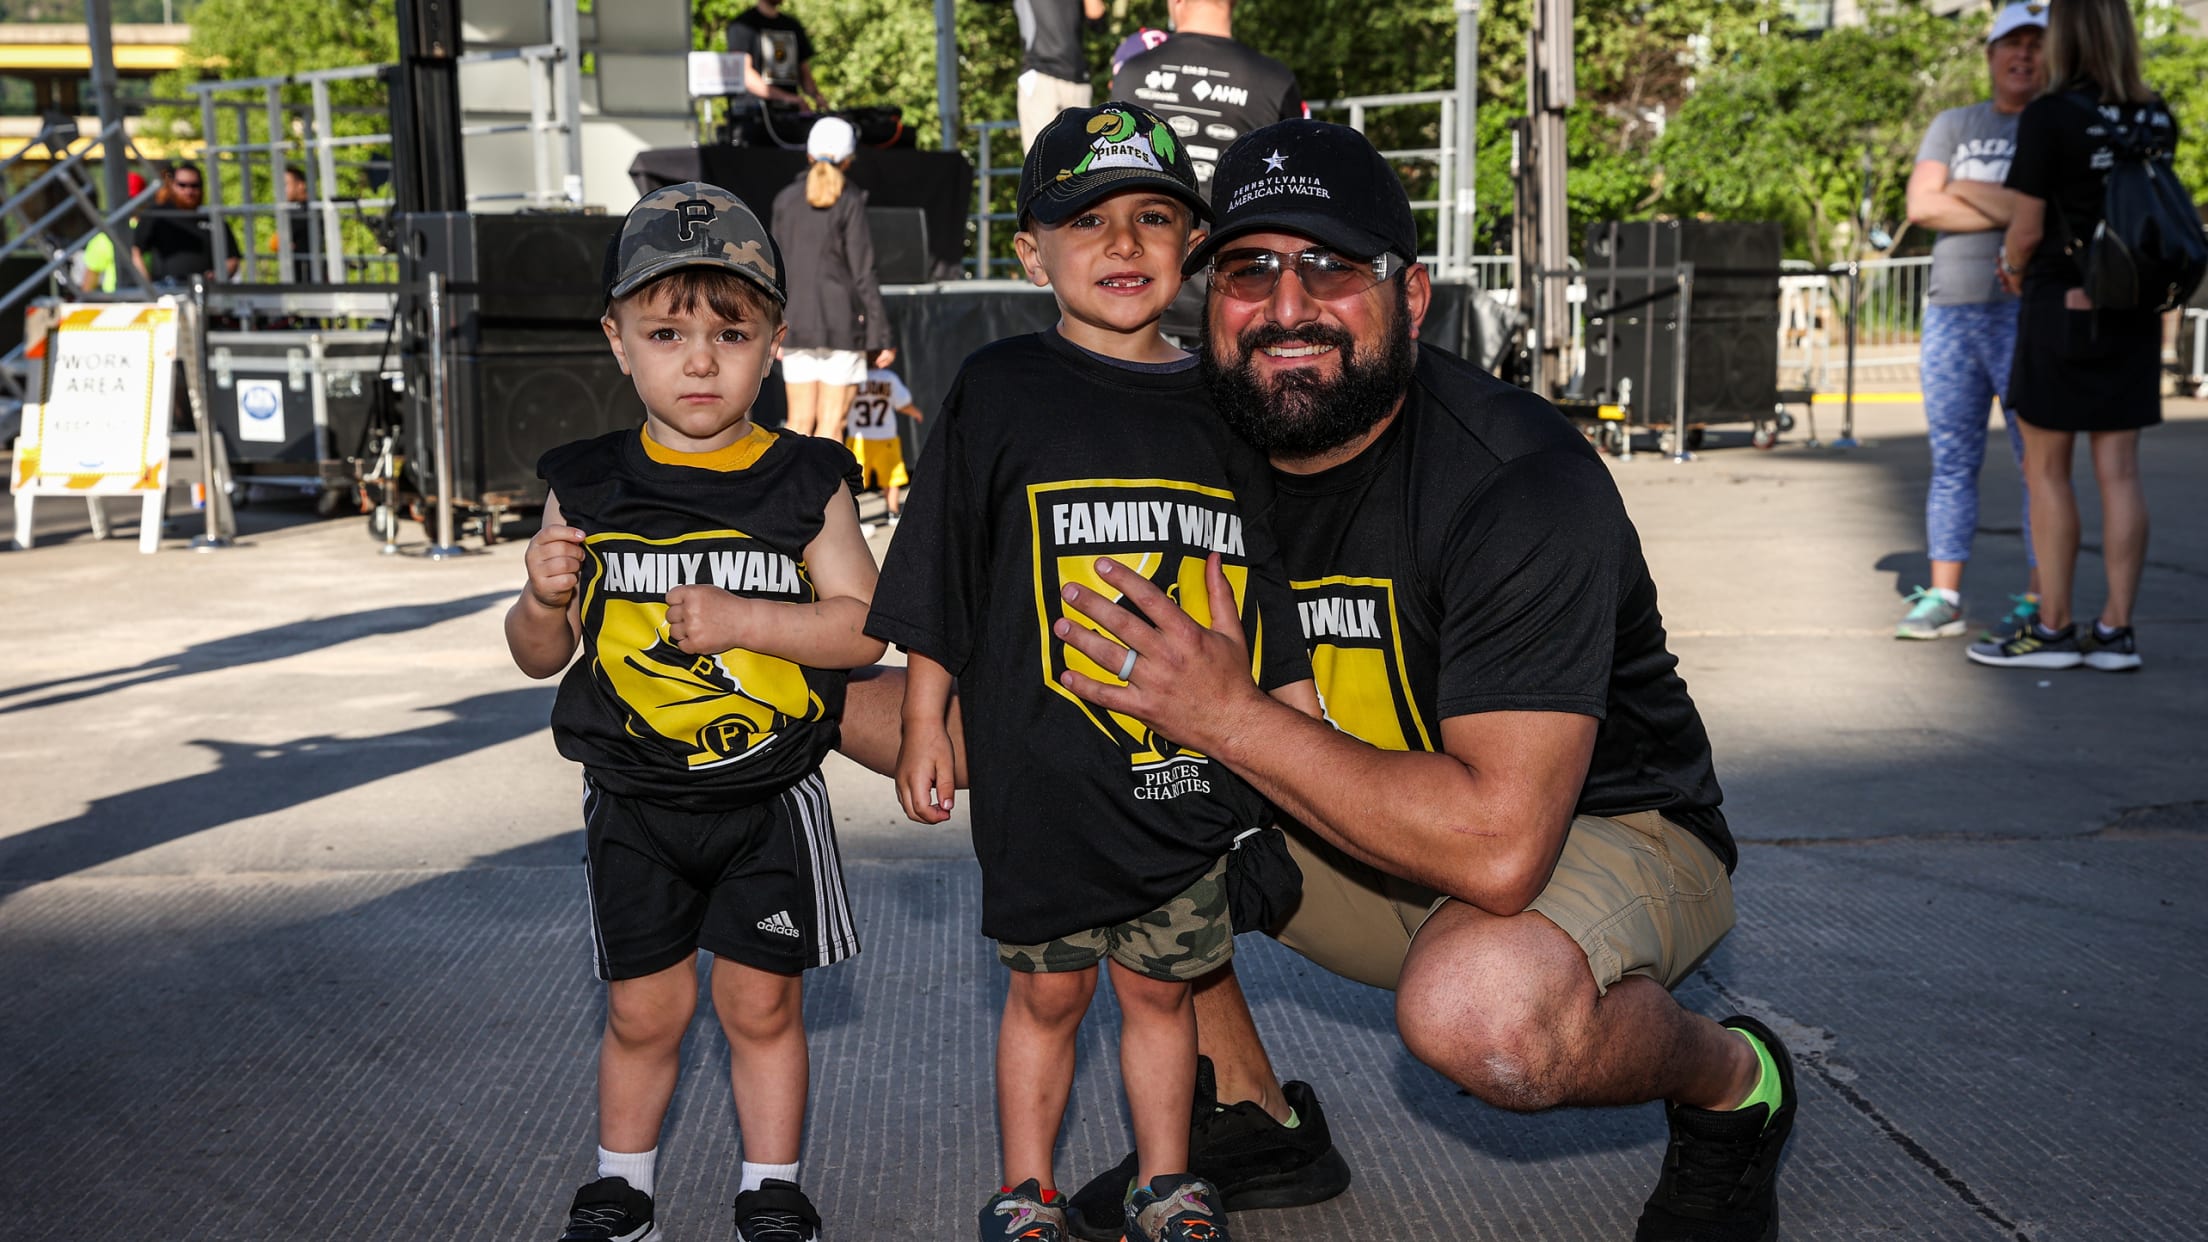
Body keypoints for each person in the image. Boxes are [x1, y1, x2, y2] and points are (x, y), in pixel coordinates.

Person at [840, 120, 1797, 1242]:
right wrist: (770, 677)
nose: (1288, 308)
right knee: (1112, 815)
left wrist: (1227, 713)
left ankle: (1734, 1083)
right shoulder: (1197, 444)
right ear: (1211, 292)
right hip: (1329, 806)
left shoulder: (1516, 482)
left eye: (1333, 268)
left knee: (1485, 1013)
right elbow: (1010, 691)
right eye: (1251, 271)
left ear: (1416, 294)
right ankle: (1249, 1115)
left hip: (1591, 828)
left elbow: (1498, 848)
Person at [864, 103, 1316, 1242]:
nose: (1123, 245)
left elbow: (1265, 583)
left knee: (1162, 993)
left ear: (1190, 249)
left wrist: (1297, 737)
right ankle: (1030, 1187)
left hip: (1180, 779)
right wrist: (926, 720)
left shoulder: (1226, 398)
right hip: (1045, 778)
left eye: (1154, 219)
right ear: (1030, 253)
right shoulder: (1001, 387)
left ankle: (1168, 1179)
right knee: (1049, 994)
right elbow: (942, 570)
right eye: (1089, 222)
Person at [506, 182, 880, 1242]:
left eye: (731, 331)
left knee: (761, 1005)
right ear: (619, 343)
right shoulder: (585, 484)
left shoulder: (807, 479)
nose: (701, 359)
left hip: (766, 799)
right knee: (643, 1008)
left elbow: (862, 629)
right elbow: (542, 659)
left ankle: (771, 1185)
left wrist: (750, 621)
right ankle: (622, 1187)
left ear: (775, 344)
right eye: (667, 332)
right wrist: (539, 597)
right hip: (631, 800)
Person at [1970, 0, 2175, 672]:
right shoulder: (2152, 113)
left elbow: (2026, 230)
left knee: (2047, 470)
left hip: (2061, 306)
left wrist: (2012, 266)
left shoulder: (2051, 114)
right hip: (2133, 306)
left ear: (2068, 34)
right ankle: (2117, 631)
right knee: (2120, 472)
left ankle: (2053, 629)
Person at [1898, 2, 2046, 642]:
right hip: (1952, 315)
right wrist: (2011, 207)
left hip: (2027, 315)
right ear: (1989, 55)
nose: (2023, 55)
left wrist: (1962, 188)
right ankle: (1944, 594)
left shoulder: (2054, 124)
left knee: (2037, 463)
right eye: (2011, 43)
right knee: (1952, 460)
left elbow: (2042, 214)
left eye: (2036, 45)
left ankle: (2042, 598)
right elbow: (1921, 204)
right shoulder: (1954, 122)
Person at [1109, 0, 1304, 341]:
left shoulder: (1132, 71)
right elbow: (1292, 194)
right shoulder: (1274, 78)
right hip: (1238, 297)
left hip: (1141, 294)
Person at [772, 116, 894, 442]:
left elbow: (773, 269)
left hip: (794, 323)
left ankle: (788, 495)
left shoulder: (784, 200)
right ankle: (825, 495)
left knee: (797, 425)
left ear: (809, 155)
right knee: (831, 430)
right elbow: (863, 272)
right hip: (843, 324)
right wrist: (880, 334)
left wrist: (773, 326)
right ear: (849, 160)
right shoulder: (850, 200)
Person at [1016, 0, 1107, 153]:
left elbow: (1097, 20)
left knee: (1042, 164)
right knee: (1079, 161)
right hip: (1064, 77)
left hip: (1047, 78)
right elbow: (1097, 19)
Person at [843, 359, 922, 530]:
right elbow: (903, 403)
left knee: (852, 481)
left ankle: (853, 519)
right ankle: (893, 513)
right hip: (885, 436)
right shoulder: (888, 377)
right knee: (891, 478)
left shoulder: (852, 378)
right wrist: (915, 412)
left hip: (858, 437)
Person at [132, 163, 241, 286]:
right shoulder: (157, 215)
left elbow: (232, 259)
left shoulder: (213, 218)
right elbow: (134, 252)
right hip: (167, 290)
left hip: (207, 290)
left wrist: (218, 275)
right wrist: (149, 288)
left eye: (194, 185)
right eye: (182, 185)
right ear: (172, 185)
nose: (189, 191)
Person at [726, 0, 828, 114]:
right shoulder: (742, 25)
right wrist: (786, 97)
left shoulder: (793, 26)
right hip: (753, 114)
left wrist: (817, 98)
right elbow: (744, 74)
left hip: (791, 114)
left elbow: (805, 74)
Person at [80, 171, 148, 294]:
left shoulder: (105, 234)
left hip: (116, 299)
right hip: (151, 295)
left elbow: (89, 282)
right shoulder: (154, 226)